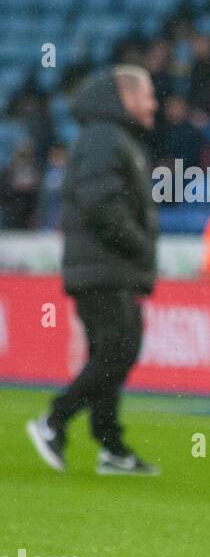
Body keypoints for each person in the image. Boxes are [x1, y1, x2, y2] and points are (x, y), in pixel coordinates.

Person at [26, 66, 161, 476]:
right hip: (103, 266)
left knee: (112, 351)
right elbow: (101, 202)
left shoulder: (113, 139)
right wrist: (139, 244)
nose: (153, 104)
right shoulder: (106, 138)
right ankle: (54, 419)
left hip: (106, 265)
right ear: (125, 96)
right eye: (147, 95)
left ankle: (111, 445)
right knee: (119, 349)